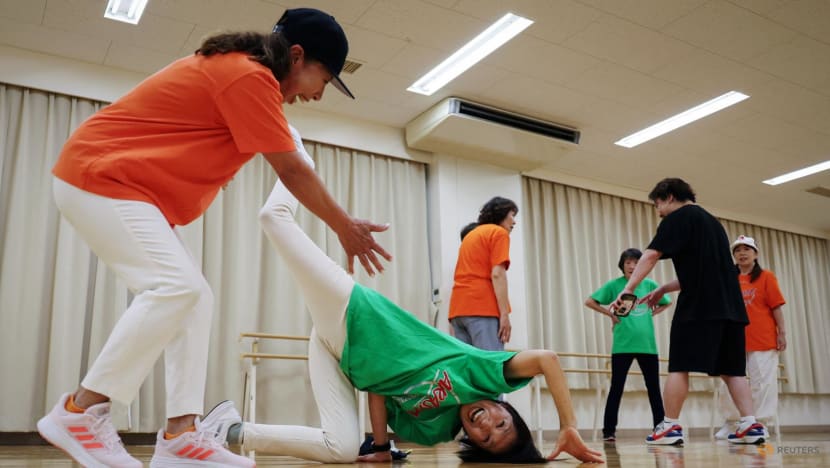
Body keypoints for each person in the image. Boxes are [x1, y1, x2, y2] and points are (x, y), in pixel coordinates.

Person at [37, 8, 392, 468]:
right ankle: (81, 412)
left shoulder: (247, 80)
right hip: (98, 176)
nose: (320, 94)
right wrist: (345, 226)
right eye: (324, 78)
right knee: (175, 287)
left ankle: (182, 436)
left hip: (124, 188)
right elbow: (291, 169)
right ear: (298, 56)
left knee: (195, 297)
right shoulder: (248, 76)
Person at [219, 163, 603, 464]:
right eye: (500, 421)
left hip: (340, 355)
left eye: (486, 437)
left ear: (473, 444)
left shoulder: (432, 432)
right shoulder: (483, 373)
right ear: (505, 406)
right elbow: (548, 360)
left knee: (341, 448)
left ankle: (230, 430)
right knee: (273, 218)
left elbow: (379, 391)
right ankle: (296, 155)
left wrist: (383, 446)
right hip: (359, 315)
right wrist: (568, 425)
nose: (485, 423)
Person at [611, 178, 767, 445]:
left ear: (669, 197)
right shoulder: (714, 224)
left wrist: (627, 290)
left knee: (679, 366)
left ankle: (669, 426)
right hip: (731, 308)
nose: (658, 210)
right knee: (733, 370)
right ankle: (750, 425)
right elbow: (705, 272)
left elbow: (650, 256)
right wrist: (663, 289)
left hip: (699, 306)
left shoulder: (678, 218)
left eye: (658, 203)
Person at [584, 248, 671, 442]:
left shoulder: (650, 285)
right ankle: (608, 431)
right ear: (622, 265)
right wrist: (611, 314)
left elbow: (667, 302)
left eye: (635, 262)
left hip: (647, 345)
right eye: (628, 262)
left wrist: (651, 313)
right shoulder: (616, 286)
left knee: (654, 388)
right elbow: (589, 301)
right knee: (617, 387)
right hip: (622, 345)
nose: (632, 266)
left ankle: (660, 429)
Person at [714, 235, 786, 439]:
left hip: (762, 339)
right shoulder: (728, 277)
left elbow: (776, 307)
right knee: (728, 382)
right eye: (737, 250)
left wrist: (782, 333)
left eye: (747, 249)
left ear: (755, 253)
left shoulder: (766, 277)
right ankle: (732, 423)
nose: (742, 253)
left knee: (762, 382)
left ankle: (759, 423)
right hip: (732, 338)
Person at [448, 197, 518, 351]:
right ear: (501, 213)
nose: (514, 222)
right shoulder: (498, 233)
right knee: (489, 365)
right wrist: (504, 315)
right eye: (512, 215)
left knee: (469, 368)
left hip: (458, 310)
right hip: (482, 308)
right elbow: (497, 274)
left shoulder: (471, 236)